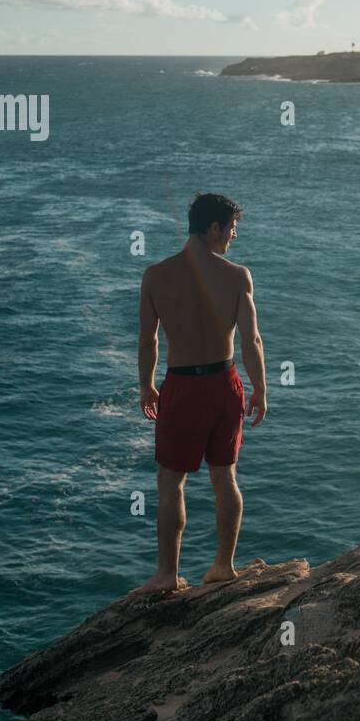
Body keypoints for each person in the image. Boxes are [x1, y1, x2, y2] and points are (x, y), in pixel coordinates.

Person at [133, 192, 267, 593]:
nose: (233, 238)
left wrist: (146, 385)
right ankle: (224, 566)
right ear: (213, 229)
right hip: (224, 385)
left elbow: (147, 341)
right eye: (231, 230)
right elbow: (252, 340)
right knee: (224, 477)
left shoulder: (156, 276)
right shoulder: (237, 276)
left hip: (182, 386)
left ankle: (167, 575)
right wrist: (258, 386)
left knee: (171, 482)